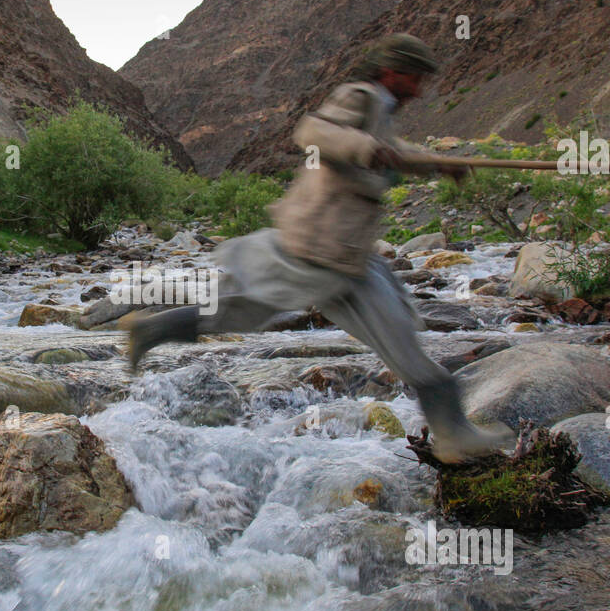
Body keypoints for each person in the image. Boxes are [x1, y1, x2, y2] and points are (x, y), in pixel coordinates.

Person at [122, 33, 514, 463]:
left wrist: (441, 164)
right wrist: (364, 147)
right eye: (413, 78)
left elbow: (394, 153)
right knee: (399, 343)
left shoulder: (380, 110)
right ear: (391, 71)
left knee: (243, 310)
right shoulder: (361, 95)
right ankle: (454, 435)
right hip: (324, 252)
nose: (418, 89)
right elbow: (311, 131)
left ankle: (151, 329)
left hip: (338, 254)